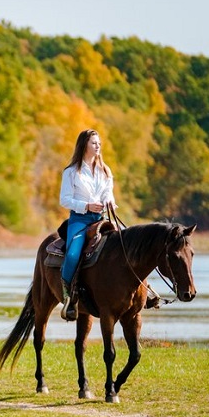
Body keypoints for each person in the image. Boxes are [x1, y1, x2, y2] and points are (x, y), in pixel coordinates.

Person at [59, 128, 115, 321]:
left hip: (101, 219)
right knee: (73, 253)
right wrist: (87, 206)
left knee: (129, 244)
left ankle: (144, 291)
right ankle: (67, 294)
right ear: (84, 145)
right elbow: (65, 200)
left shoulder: (105, 171)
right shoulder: (71, 172)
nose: (98, 146)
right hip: (80, 220)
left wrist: (108, 201)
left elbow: (109, 193)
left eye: (99, 143)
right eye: (94, 143)